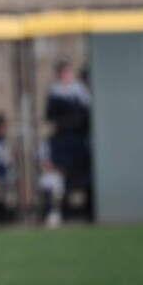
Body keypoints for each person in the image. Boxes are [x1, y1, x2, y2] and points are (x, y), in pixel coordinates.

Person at [43, 59, 92, 226]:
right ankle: (55, 212)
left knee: (83, 177)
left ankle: (86, 211)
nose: (67, 76)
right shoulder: (54, 93)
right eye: (64, 73)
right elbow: (50, 117)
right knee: (55, 179)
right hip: (63, 142)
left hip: (78, 143)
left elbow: (86, 116)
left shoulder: (81, 92)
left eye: (69, 72)